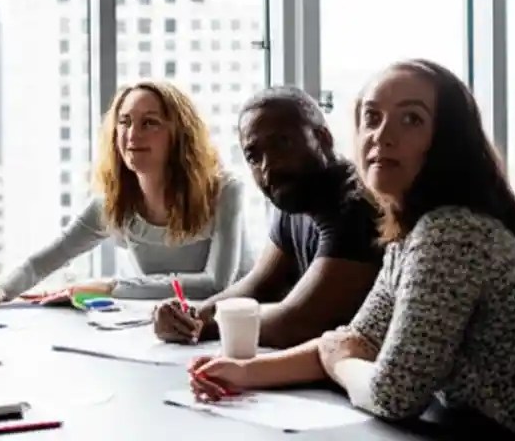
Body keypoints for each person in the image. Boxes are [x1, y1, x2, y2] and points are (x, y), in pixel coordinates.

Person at [188, 60, 515, 441]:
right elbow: (359, 339)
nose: (382, 136)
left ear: (447, 141)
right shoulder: (411, 235)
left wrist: (340, 362)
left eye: (411, 119)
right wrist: (245, 372)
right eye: (372, 118)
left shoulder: (453, 233)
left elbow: (393, 394)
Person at [0, 80, 251, 311]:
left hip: (234, 328)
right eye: (124, 122)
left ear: (180, 135)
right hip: (168, 329)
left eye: (149, 123)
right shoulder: (113, 203)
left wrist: (109, 286)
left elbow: (216, 285)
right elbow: (43, 262)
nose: (132, 134)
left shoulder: (224, 192)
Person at [152, 86, 381, 349]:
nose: (268, 166)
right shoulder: (294, 199)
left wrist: (203, 325)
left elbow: (294, 323)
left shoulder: (353, 207)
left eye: (282, 143)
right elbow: (258, 285)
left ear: (323, 138)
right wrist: (190, 316)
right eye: (253, 156)